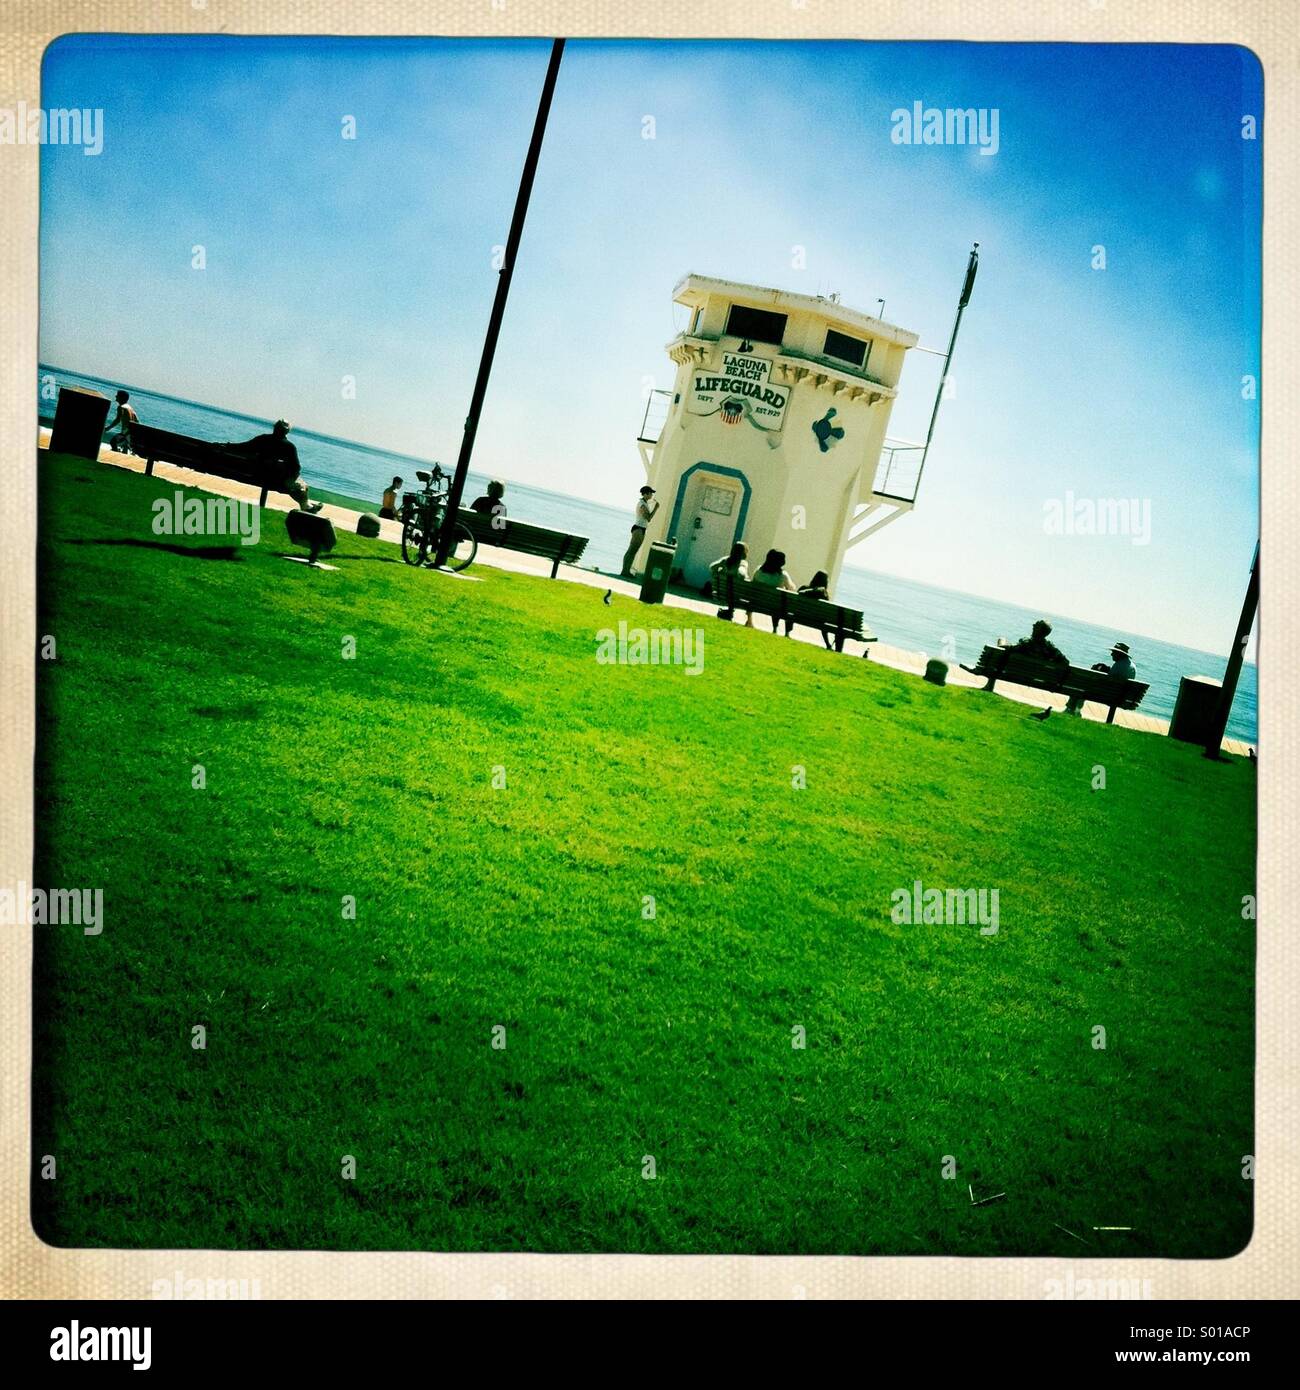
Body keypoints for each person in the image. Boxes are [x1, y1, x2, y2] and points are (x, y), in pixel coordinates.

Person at [222, 420, 321, 512]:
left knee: (296, 483)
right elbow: (296, 467)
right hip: (275, 480)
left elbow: (243, 447)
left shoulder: (262, 439)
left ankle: (308, 505)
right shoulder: (289, 446)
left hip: (257, 474)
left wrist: (228, 445)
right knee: (300, 485)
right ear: (287, 432)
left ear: (274, 427)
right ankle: (306, 506)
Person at [751, 549, 797, 635]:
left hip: (756, 602)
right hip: (774, 606)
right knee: (787, 604)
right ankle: (784, 631)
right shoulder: (782, 575)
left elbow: (753, 583)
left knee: (777, 601)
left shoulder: (758, 571)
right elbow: (792, 589)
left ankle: (749, 620)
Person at [620, 485, 659, 577]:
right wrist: (656, 508)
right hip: (638, 528)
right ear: (645, 494)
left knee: (633, 551)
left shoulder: (644, 503)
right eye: (650, 493)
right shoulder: (642, 504)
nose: (651, 495)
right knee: (631, 550)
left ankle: (626, 571)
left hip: (641, 528)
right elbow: (648, 518)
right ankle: (624, 571)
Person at [710, 541, 749, 621]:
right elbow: (741, 574)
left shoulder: (725, 560)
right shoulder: (742, 563)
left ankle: (729, 612)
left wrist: (718, 574)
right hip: (736, 595)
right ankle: (732, 613)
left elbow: (712, 567)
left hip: (722, 592)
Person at [798, 570, 835, 648]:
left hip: (800, 615)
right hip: (817, 620)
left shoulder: (803, 588)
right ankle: (827, 644)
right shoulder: (824, 595)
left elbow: (799, 592)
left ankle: (787, 632)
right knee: (823, 621)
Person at [104, 390, 137, 454]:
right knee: (124, 446)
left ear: (122, 398)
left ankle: (116, 455)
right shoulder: (130, 408)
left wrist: (108, 428)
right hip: (131, 434)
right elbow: (137, 421)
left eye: (117, 395)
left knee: (113, 442)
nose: (115, 396)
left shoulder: (121, 407)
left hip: (126, 433)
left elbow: (117, 420)